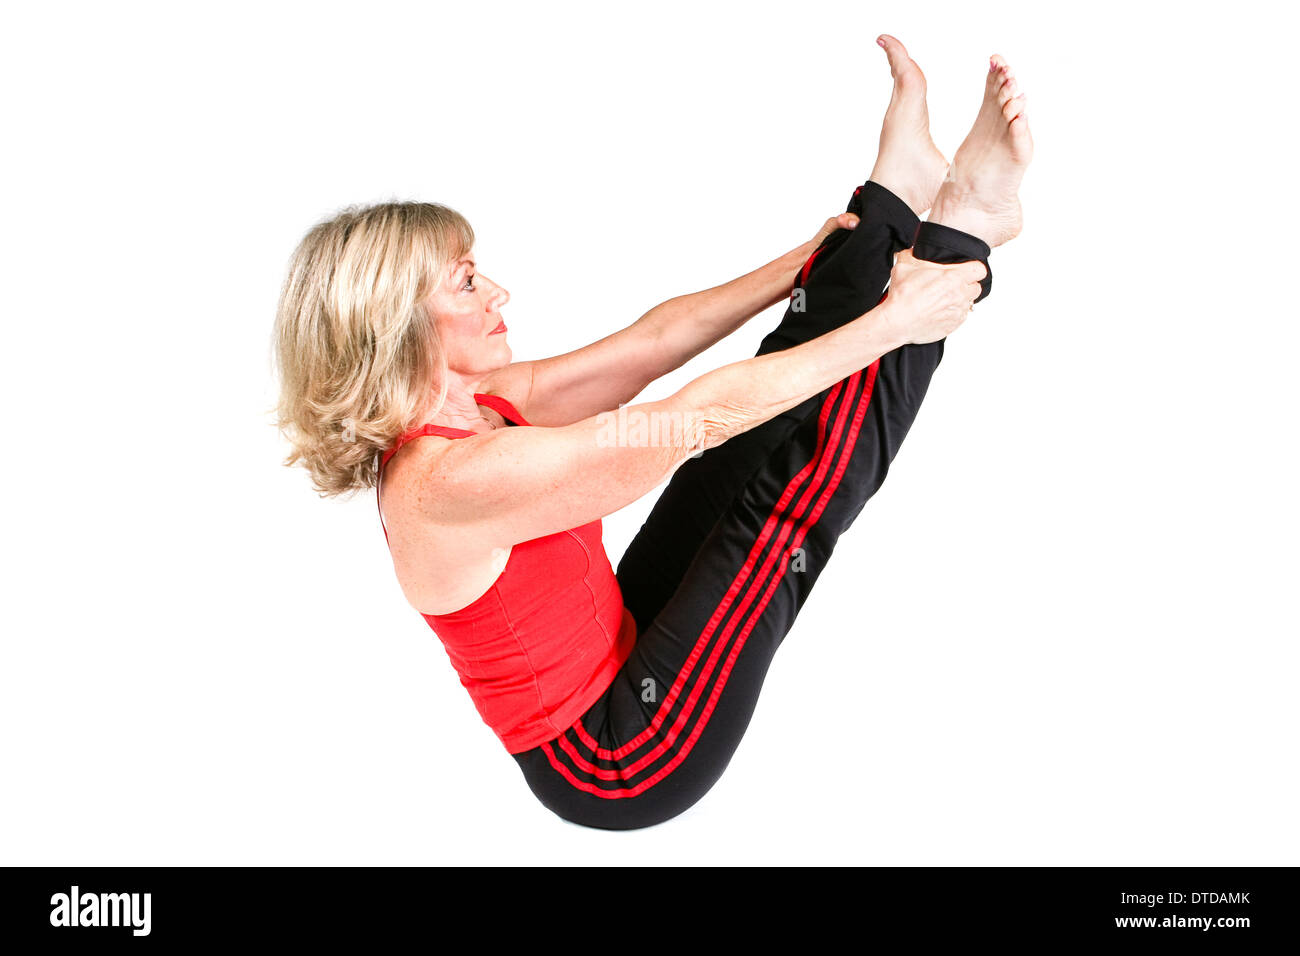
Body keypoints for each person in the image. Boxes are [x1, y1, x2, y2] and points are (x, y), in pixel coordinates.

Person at [273, 35, 1032, 829]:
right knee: (784, 511)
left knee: (731, 459)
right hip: (619, 758)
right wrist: (896, 320)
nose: (499, 289)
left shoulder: (475, 399)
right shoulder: (448, 482)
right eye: (466, 281)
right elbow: (688, 418)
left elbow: (653, 343)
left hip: (619, 642)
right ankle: (961, 230)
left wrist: (822, 252)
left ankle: (896, 202)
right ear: (395, 323)